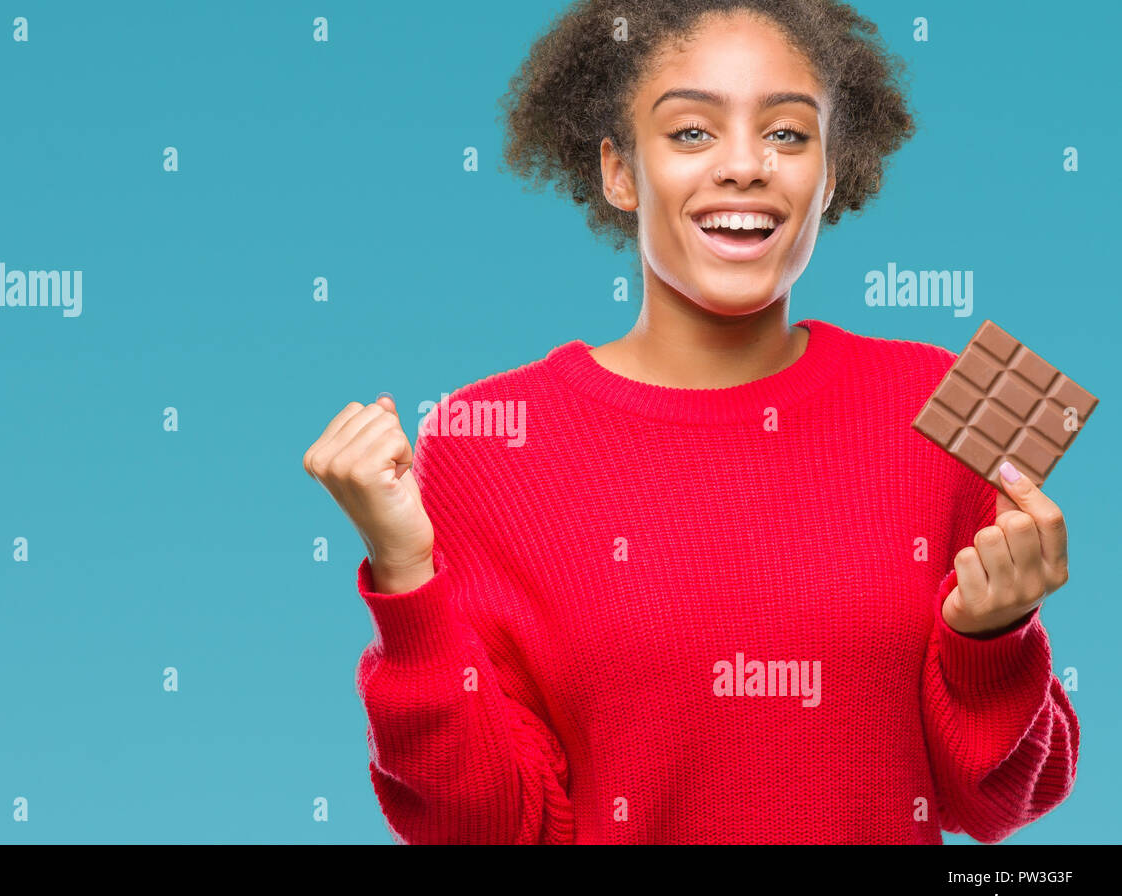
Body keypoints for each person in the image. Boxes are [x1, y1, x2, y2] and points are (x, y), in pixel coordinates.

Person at [302, 0, 1079, 844]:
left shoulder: (948, 404)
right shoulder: (486, 439)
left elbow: (1002, 802)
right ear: (620, 172)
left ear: (831, 169)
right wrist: (406, 571)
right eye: (690, 133)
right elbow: (482, 825)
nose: (745, 166)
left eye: (787, 134)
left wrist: (994, 635)